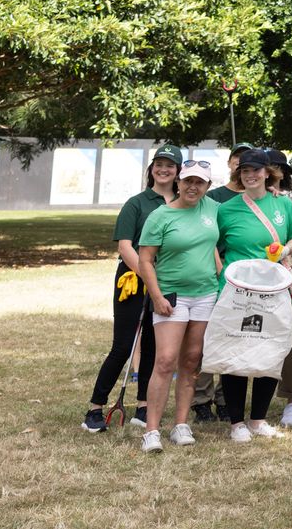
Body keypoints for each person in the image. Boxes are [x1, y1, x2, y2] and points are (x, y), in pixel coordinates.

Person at [83, 143, 178, 434]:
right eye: (159, 164)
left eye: (170, 165)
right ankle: (95, 408)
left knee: (152, 346)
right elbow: (125, 246)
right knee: (123, 346)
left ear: (177, 171)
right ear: (152, 169)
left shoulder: (183, 202)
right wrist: (149, 277)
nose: (164, 170)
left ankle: (143, 406)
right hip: (133, 280)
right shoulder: (136, 203)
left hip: (168, 281)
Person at [215, 145, 292, 440]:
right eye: (245, 170)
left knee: (271, 349)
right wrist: (220, 272)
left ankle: (258, 420)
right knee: (236, 352)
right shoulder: (226, 209)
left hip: (273, 288)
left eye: (255, 170)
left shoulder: (283, 204)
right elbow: (213, 244)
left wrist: (286, 250)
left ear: (268, 173)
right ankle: (236, 423)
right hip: (238, 290)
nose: (250, 175)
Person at [136, 157, 221, 452]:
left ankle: (181, 424)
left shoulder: (213, 208)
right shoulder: (160, 216)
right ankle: (151, 430)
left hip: (206, 294)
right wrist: (157, 296)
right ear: (178, 182)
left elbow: (244, 198)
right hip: (172, 295)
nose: (193, 187)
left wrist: (274, 187)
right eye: (188, 181)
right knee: (165, 361)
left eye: (199, 182)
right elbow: (145, 260)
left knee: (192, 360)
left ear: (208, 186)